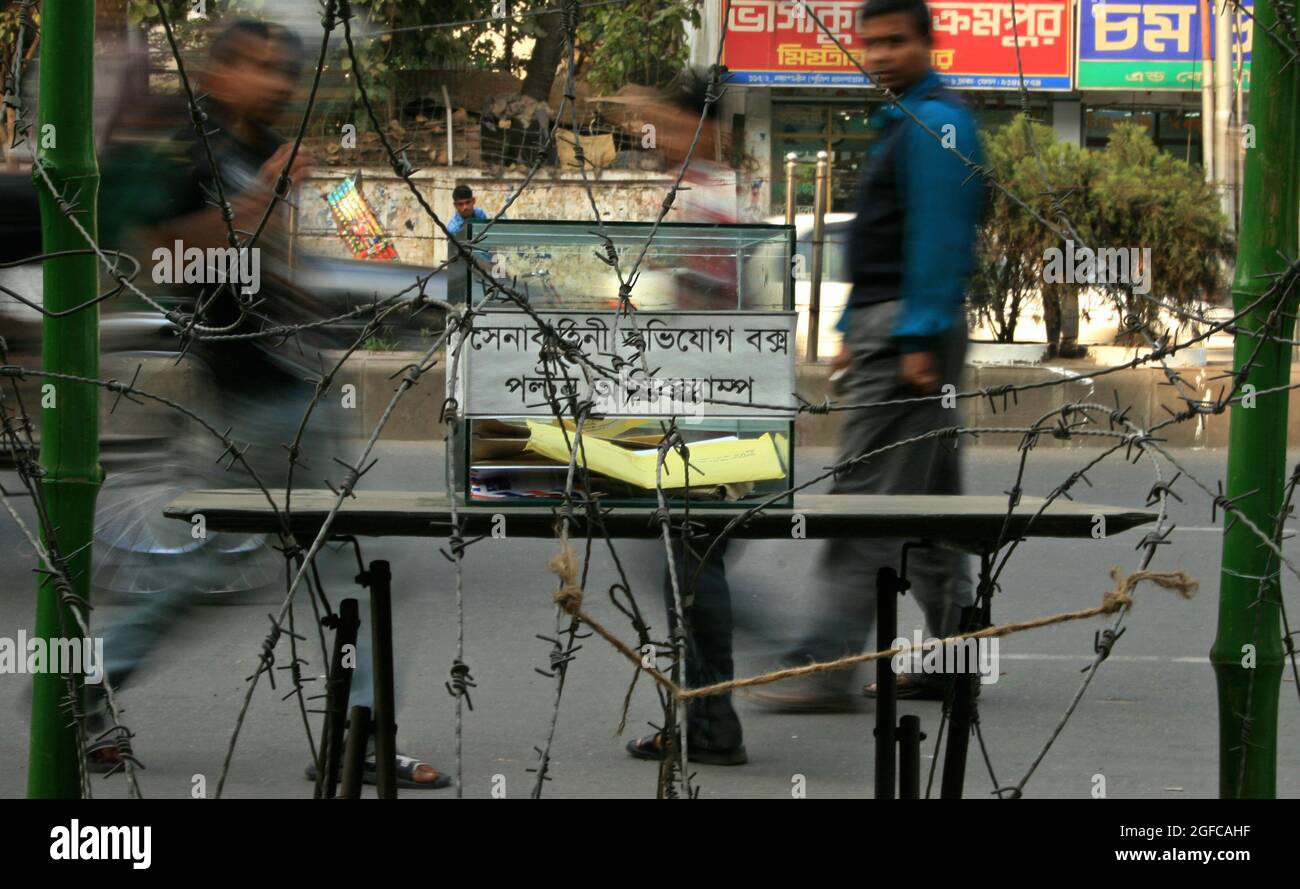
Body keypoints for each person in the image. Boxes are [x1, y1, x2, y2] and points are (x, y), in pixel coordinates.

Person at [85, 18, 450, 789]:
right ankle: (358, 736)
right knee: (313, 565)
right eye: (260, 66)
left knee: (303, 563)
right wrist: (260, 200)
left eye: (285, 68)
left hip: (293, 387)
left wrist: (305, 300)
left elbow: (268, 256)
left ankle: (87, 686)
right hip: (249, 397)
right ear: (217, 72)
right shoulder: (193, 152)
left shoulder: (256, 148)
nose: (279, 80)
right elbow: (160, 254)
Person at [748, 0, 985, 711]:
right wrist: (854, 324)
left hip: (910, 336)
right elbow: (882, 243)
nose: (879, 55)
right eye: (869, 44)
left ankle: (825, 668)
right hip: (893, 327)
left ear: (926, 42)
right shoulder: (902, 120)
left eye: (894, 42)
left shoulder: (936, 122)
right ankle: (956, 658)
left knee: (864, 505)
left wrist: (917, 337)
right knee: (932, 512)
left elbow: (941, 237)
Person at [624, 67, 747, 766]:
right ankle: (708, 714)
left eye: (665, 123)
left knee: (694, 565)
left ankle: (713, 719)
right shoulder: (695, 196)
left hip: (706, 414)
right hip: (700, 407)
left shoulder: (706, 203)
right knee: (691, 565)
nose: (654, 135)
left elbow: (703, 310)